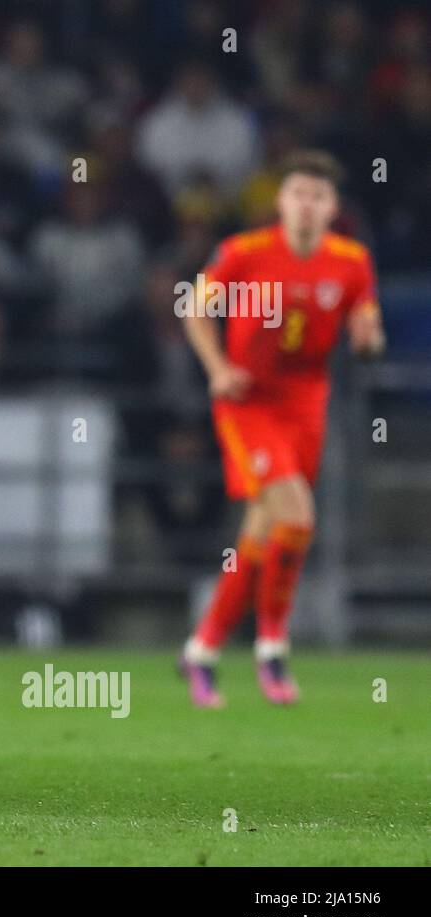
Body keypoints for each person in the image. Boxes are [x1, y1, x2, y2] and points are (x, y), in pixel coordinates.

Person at [178, 150, 383, 708]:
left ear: (333, 207)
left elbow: (368, 325)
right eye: (298, 193)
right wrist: (218, 369)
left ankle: (201, 650)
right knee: (297, 517)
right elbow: (195, 307)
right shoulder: (245, 252)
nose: (307, 205)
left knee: (261, 534)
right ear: (281, 200)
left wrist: (368, 341)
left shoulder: (351, 261)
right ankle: (272, 645)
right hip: (249, 401)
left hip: (307, 404)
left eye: (318, 196)